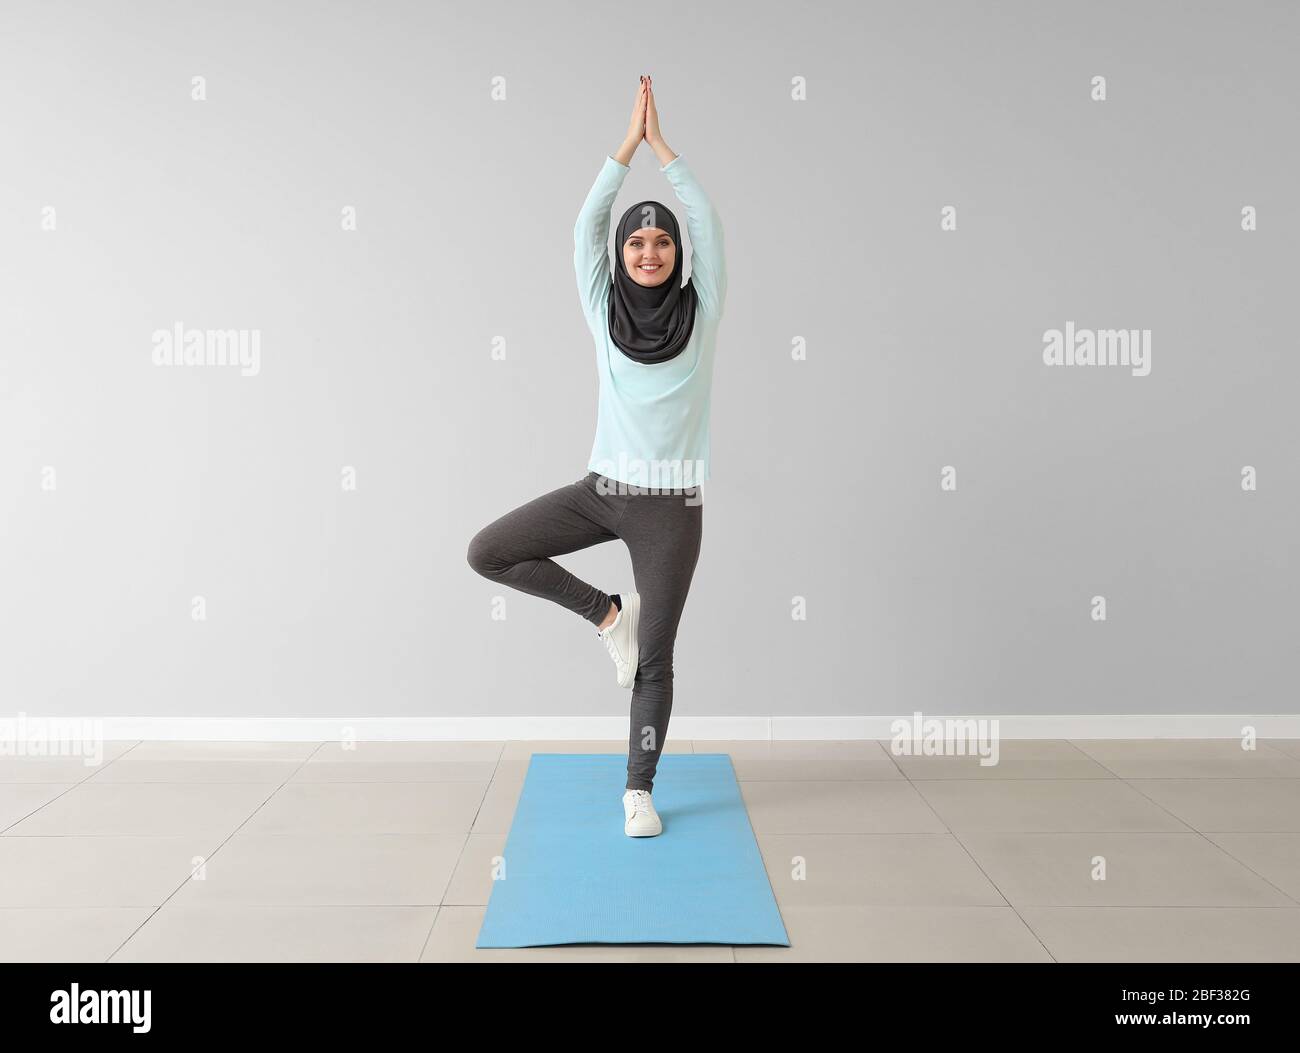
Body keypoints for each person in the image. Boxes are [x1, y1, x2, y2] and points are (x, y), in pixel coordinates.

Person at [467, 75, 726, 837]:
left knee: (656, 659)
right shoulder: (602, 305)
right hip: (604, 488)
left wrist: (666, 151)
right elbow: (586, 225)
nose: (649, 250)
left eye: (662, 240)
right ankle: (607, 613)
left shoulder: (702, 310)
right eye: (637, 241)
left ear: (678, 254)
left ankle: (638, 790)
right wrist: (624, 148)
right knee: (490, 551)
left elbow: (708, 222)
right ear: (622, 255)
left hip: (672, 508)